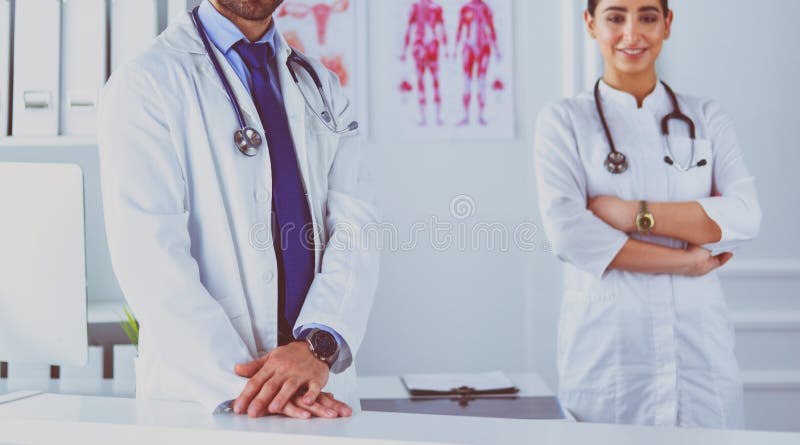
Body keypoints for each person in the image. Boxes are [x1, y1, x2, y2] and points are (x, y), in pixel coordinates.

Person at [97, 0, 379, 419]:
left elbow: (357, 230)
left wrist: (316, 347)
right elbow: (151, 262)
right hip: (212, 398)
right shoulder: (146, 83)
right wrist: (264, 390)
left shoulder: (322, 85)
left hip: (318, 392)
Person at [534, 0, 761, 428]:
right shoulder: (563, 121)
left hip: (700, 359)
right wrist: (686, 260)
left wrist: (629, 214)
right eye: (616, 17)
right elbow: (570, 235)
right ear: (590, 24)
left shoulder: (706, 118)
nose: (632, 34)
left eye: (648, 17)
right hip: (610, 359)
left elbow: (745, 215)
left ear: (668, 24)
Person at [400, 0, 449, 127]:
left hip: (431, 46)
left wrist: (446, 49)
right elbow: (409, 28)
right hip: (420, 47)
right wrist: (404, 50)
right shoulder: (416, 7)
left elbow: (442, 28)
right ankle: (423, 118)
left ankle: (437, 117)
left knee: (435, 81)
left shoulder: (436, 8)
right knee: (421, 81)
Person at [455, 0, 500, 126]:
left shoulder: (486, 8)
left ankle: (480, 116)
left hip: (484, 47)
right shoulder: (465, 8)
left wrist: (496, 49)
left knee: (481, 83)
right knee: (467, 82)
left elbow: (491, 28)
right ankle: (466, 115)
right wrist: (454, 48)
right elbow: (460, 28)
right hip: (469, 47)